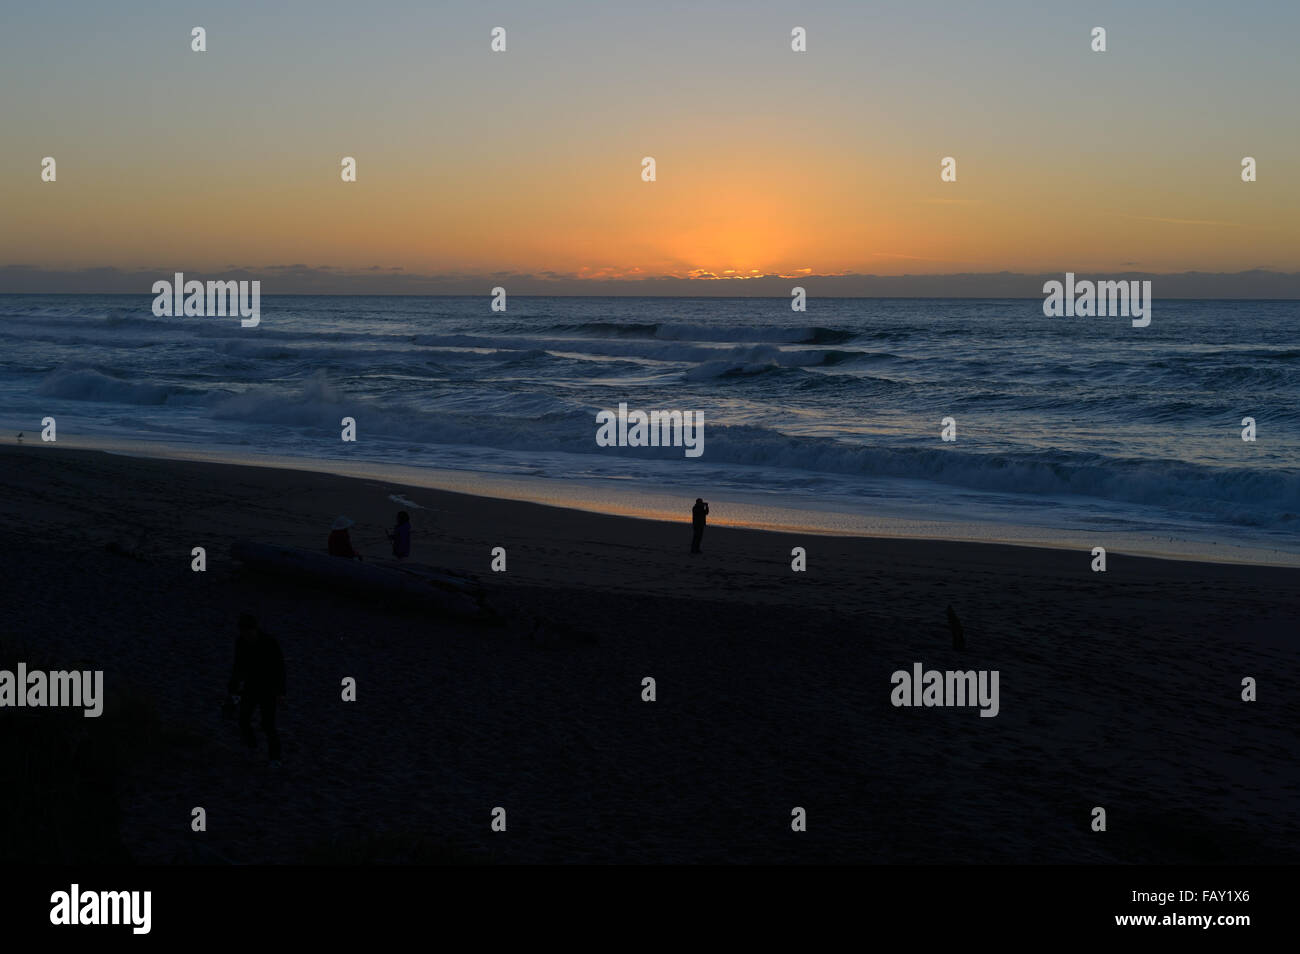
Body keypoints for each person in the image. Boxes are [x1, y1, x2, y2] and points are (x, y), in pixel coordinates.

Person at [227, 613, 286, 767]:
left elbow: (280, 668)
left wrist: (280, 692)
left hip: (268, 689)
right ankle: (252, 745)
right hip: (250, 687)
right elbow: (237, 665)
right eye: (243, 632)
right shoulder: (241, 642)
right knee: (243, 719)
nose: (246, 635)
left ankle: (275, 757)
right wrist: (233, 687)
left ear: (254, 629)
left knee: (268, 725)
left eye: (248, 631)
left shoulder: (269, 643)